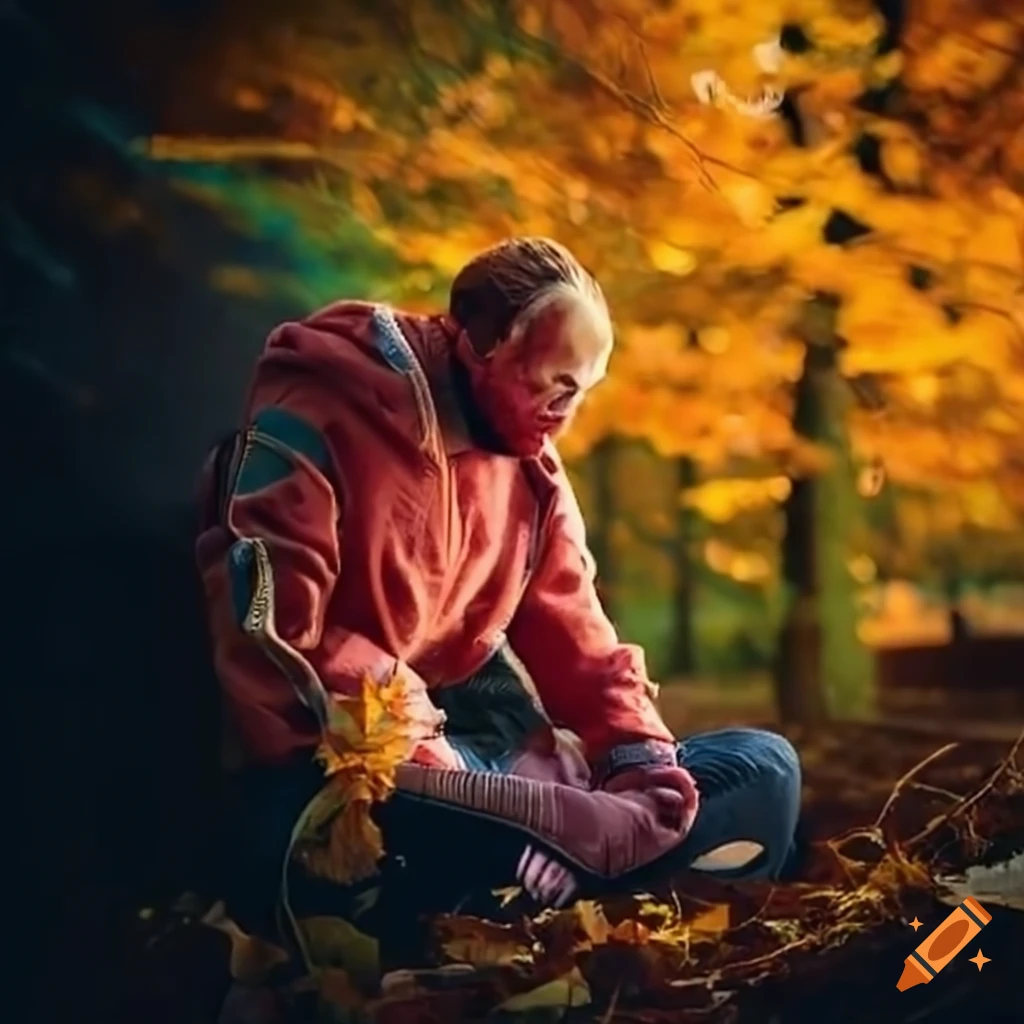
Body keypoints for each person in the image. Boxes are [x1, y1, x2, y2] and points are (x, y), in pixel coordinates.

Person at [196, 238, 801, 985]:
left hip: (495, 762)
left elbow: (581, 639)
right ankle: (555, 883)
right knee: (342, 857)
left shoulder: (535, 476)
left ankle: (542, 880)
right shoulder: (316, 412)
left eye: (582, 391)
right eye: (555, 385)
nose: (566, 414)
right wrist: (433, 755)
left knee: (763, 769)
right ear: (480, 339)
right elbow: (280, 641)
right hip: (344, 777)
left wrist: (641, 762)